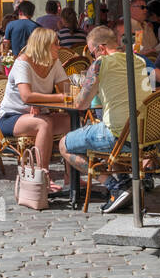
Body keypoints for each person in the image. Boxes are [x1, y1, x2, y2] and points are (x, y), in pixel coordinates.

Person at [59, 25, 153, 213]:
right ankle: (125, 183)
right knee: (108, 125)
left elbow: (81, 105)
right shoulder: (138, 60)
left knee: (64, 144)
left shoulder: (100, 64)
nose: (93, 57)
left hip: (118, 135)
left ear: (101, 49)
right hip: (144, 135)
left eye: (93, 53)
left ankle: (114, 186)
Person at [0, 27, 72, 192]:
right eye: (55, 44)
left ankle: (71, 178)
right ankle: (43, 177)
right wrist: (58, 98)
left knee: (70, 121)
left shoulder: (53, 62)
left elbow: (67, 90)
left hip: (39, 115)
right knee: (43, 124)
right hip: (10, 117)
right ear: (43, 46)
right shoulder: (23, 63)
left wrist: (68, 93)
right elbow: (27, 97)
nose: (59, 47)